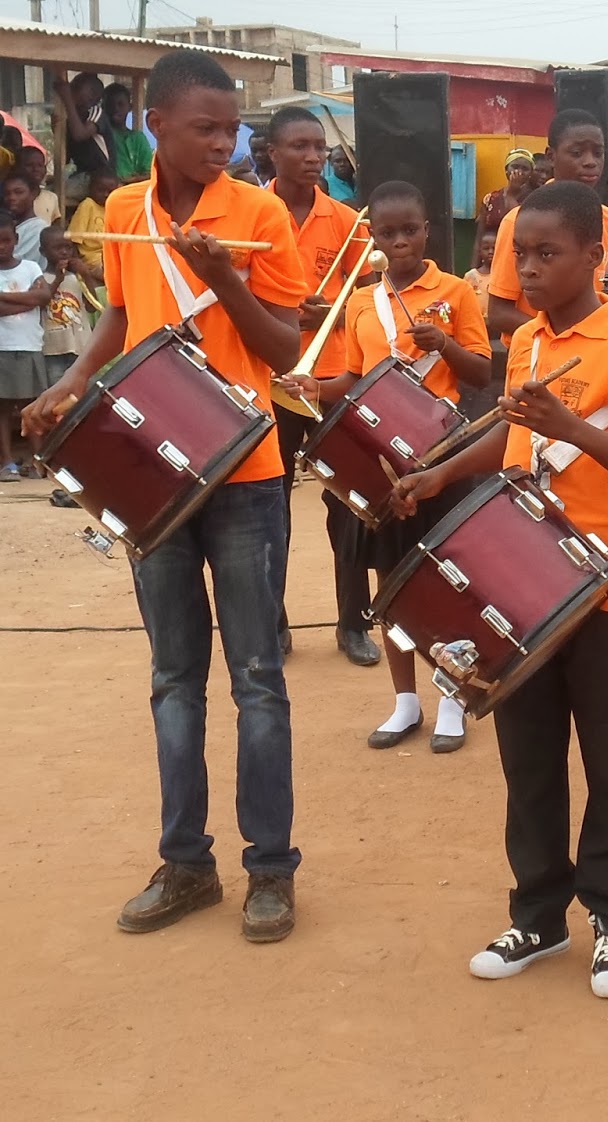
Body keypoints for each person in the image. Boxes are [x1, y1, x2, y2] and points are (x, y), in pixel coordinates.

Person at [21, 49, 307, 941]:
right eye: (206, 129)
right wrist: (67, 385)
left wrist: (223, 272)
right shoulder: (121, 207)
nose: (225, 145)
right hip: (154, 470)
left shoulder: (258, 213)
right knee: (173, 679)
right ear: (157, 126)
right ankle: (186, 863)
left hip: (245, 476)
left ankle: (271, 870)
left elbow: (286, 352)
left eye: (233, 130)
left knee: (258, 680)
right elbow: (122, 314)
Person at [390, 181, 608, 998]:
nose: (530, 269)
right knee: (530, 758)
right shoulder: (527, 345)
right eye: (521, 254)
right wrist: (435, 471)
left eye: (549, 254)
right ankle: (539, 914)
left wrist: (574, 429)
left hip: (601, 588)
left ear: (595, 255)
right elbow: (508, 438)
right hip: (518, 585)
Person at [283, 180, 491, 752]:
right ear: (371, 237)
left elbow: (479, 372)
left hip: (440, 455)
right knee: (391, 579)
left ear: (428, 232)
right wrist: (312, 387)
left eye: (409, 231)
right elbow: (353, 381)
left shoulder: (454, 292)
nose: (398, 242)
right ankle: (404, 702)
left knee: (445, 576)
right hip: (379, 461)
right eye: (386, 233)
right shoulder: (358, 302)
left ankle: (452, 695)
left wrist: (444, 345)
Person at [264, 105, 378, 665]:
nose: (312, 157)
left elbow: (367, 295)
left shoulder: (348, 220)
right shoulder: (250, 214)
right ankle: (272, 624)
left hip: (333, 379)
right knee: (267, 507)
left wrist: (331, 309)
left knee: (348, 505)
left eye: (317, 148)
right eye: (299, 147)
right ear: (272, 152)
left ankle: (354, 623)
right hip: (270, 382)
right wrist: (287, 314)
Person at [487, 110, 608, 343]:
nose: (590, 162)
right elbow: (499, 313)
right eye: (577, 153)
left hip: (599, 358)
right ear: (551, 156)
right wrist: (565, 338)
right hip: (534, 360)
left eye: (598, 153)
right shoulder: (518, 222)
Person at [0, 212, 50, 481]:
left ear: (16, 239)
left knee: (32, 407)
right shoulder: (31, 274)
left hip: (30, 345)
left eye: (6, 241)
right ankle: (7, 462)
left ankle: (38, 460)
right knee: (3, 409)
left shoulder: (31, 267)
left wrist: (6, 296)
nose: (1, 247)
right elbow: (35, 297)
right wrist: (28, 299)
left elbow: (44, 296)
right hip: (2, 348)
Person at [38, 225, 93, 392]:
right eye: (57, 248)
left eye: (68, 247)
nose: (64, 252)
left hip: (81, 348)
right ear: (43, 251)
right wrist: (57, 280)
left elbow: (92, 306)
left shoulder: (77, 279)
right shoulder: (39, 279)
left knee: (84, 393)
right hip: (53, 350)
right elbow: (41, 302)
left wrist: (86, 275)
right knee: (57, 394)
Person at [54, 72, 113, 185]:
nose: (71, 90)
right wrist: (57, 130)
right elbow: (66, 158)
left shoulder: (96, 113)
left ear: (92, 96)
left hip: (102, 178)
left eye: (76, 87)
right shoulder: (72, 120)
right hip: (81, 175)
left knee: (57, 192)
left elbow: (79, 135)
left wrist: (67, 99)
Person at [478, 149, 536, 247]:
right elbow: (479, 238)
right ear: (506, 169)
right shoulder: (491, 198)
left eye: (525, 169)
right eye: (515, 167)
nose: (519, 172)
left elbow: (521, 225)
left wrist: (511, 194)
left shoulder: (534, 199)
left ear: (531, 173)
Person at [67, 170, 116, 274]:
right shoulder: (88, 205)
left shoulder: (115, 208)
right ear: (91, 189)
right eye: (101, 190)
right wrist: (78, 265)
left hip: (111, 257)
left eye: (110, 191)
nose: (106, 194)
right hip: (92, 260)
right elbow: (73, 239)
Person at [103, 83, 154, 183]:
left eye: (121, 104)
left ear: (130, 107)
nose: (116, 108)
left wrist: (133, 180)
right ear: (103, 107)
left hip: (134, 192)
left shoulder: (138, 138)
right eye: (110, 104)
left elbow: (151, 173)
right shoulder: (101, 135)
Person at [4, 172, 46, 268]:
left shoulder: (39, 229)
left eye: (18, 192)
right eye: (7, 193)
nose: (11, 198)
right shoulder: (7, 226)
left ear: (34, 193)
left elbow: (17, 262)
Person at [19, 147, 61, 226]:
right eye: (29, 165)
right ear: (18, 168)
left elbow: (55, 227)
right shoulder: (14, 197)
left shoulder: (51, 197)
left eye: (40, 165)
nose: (36, 169)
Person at [465, 229, 496, 316]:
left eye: (494, 248)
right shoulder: (471, 276)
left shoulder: (503, 276)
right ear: (479, 251)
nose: (491, 252)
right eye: (486, 248)